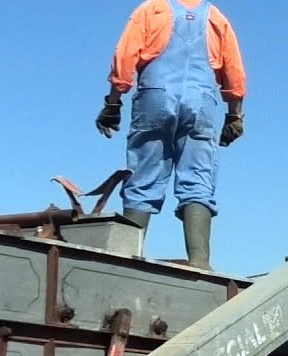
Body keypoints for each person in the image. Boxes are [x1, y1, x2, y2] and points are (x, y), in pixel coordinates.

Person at [96, 0, 248, 271]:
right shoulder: (216, 18)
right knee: (198, 179)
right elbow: (233, 72)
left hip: (155, 97)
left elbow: (125, 56)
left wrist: (113, 102)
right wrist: (234, 115)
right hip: (201, 103)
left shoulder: (151, 10)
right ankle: (200, 263)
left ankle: (128, 261)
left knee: (143, 178)